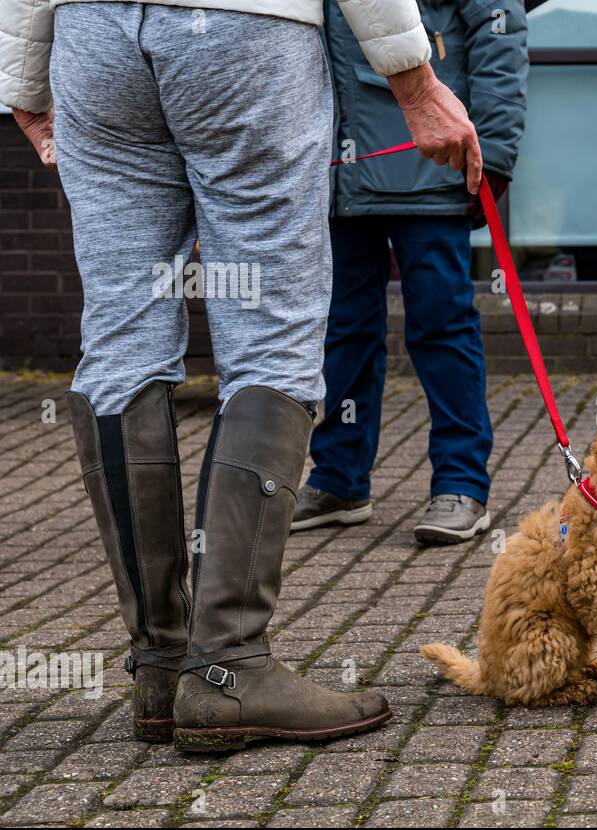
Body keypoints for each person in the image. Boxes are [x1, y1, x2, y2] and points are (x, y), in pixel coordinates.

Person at [1, 0, 481, 750]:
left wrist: (25, 84)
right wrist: (415, 84)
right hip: (243, 28)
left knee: (121, 343)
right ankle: (227, 668)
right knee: (270, 336)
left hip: (91, 35)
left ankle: (161, 667)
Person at [290, 0, 526, 546]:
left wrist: (493, 151)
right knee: (343, 329)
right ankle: (340, 479)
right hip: (333, 172)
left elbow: (500, 31)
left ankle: (461, 483)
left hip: (429, 159)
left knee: (441, 326)